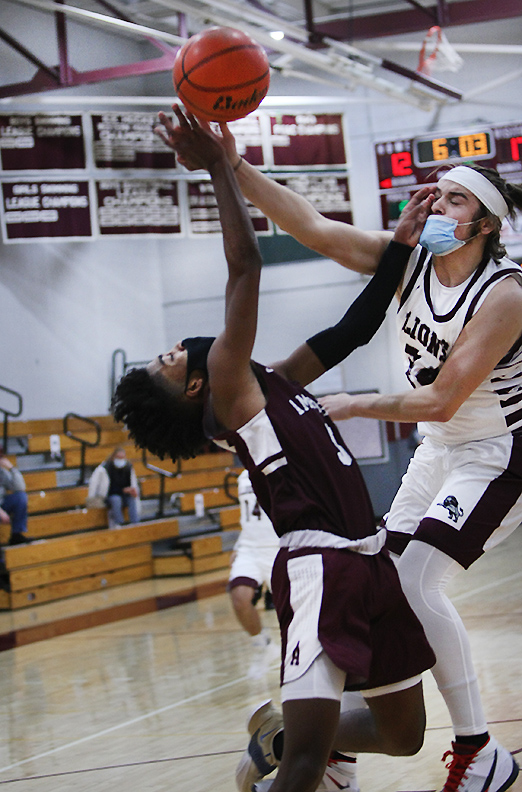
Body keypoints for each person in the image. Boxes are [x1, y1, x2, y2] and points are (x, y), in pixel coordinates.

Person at [111, 105, 437, 792]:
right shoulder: (229, 395)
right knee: (306, 769)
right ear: (197, 385)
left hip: (371, 557)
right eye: (168, 361)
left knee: (403, 737)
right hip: (322, 570)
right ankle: (289, 748)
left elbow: (351, 330)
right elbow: (245, 265)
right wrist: (217, 171)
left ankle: (280, 729)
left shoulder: (272, 383)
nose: (172, 348)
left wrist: (401, 246)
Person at [214, 129, 522, 792]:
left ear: (488, 223)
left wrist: (351, 405)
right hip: (438, 451)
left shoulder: (506, 295)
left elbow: (441, 399)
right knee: (377, 581)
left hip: (495, 453)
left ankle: (479, 753)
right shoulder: (407, 260)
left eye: (458, 201)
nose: (440, 208)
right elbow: (311, 226)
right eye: (438, 195)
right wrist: (231, 164)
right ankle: (338, 754)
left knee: (415, 582)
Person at [228, 469, 280, 678]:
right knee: (239, 598)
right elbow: (248, 517)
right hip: (250, 547)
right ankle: (263, 646)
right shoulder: (242, 477)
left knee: (294, 610)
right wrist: (239, 545)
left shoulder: (278, 467)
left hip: (279, 545)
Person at [87, 447, 141, 528]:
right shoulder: (104, 468)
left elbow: (133, 484)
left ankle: (135, 523)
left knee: (132, 499)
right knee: (116, 499)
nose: (120, 460)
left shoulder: (128, 468)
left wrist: (133, 491)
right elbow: (94, 484)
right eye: (119, 457)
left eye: (122, 458)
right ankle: (119, 523)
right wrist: (91, 499)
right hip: (109, 495)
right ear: (113, 457)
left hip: (124, 495)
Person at [0, 447, 30, 545]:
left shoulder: (1, 472)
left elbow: (20, 488)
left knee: (21, 497)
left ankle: (16, 535)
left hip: (2, 504)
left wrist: (12, 468)